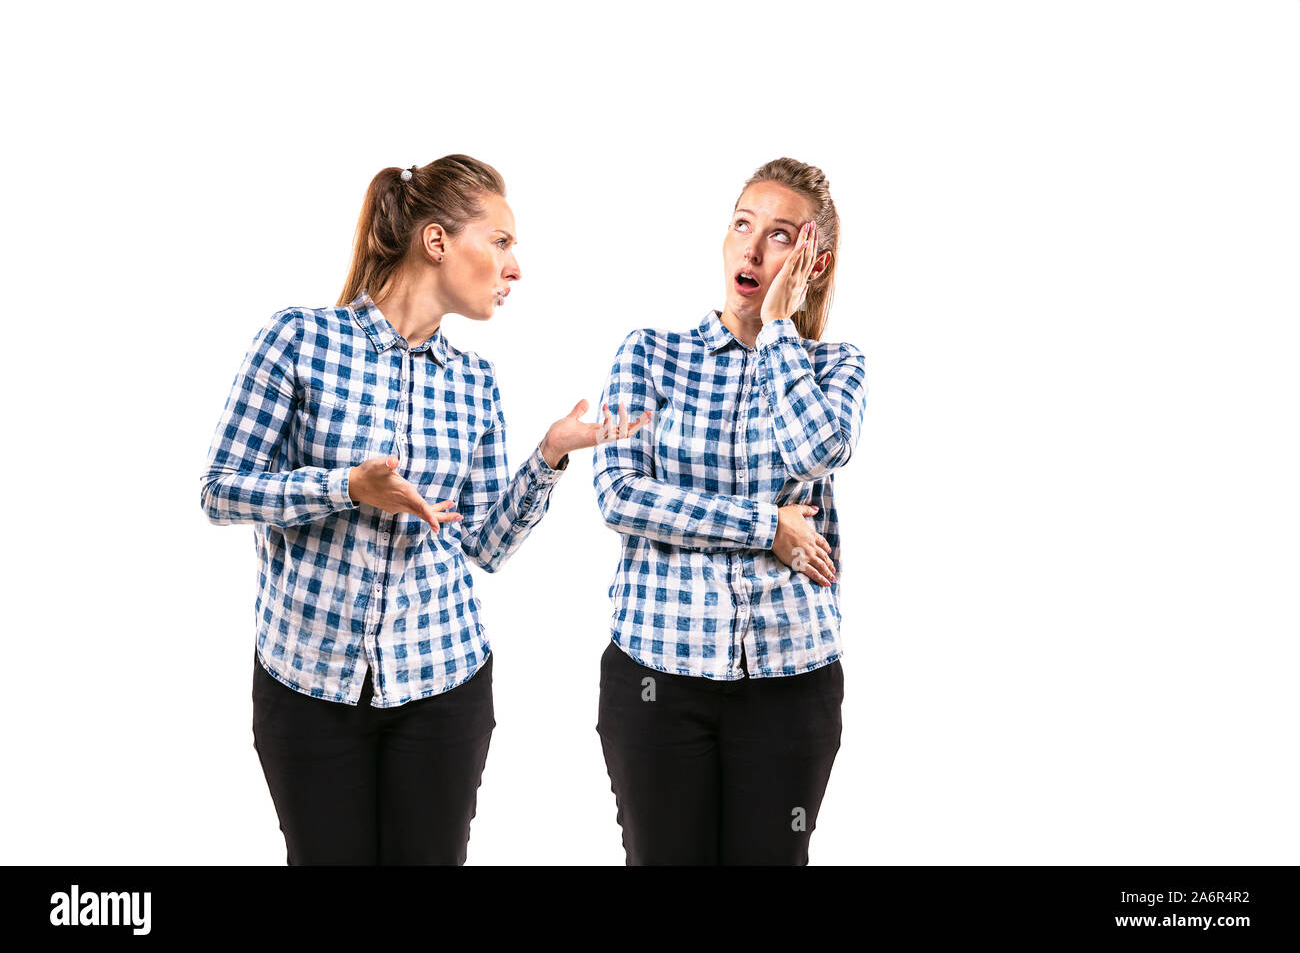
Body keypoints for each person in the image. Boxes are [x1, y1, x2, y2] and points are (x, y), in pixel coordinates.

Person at [200, 154, 644, 865]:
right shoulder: (300, 340)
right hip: (309, 689)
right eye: (500, 242)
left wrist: (551, 453)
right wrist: (346, 486)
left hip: (444, 685)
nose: (515, 267)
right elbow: (221, 490)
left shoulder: (475, 382)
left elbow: (487, 547)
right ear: (436, 242)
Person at [592, 156, 869, 865]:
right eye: (742, 225)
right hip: (657, 674)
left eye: (779, 236)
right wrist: (765, 526)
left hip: (791, 682)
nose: (750, 249)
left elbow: (819, 447)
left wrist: (778, 331)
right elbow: (620, 494)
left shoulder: (835, 367)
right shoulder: (650, 355)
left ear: (815, 261)